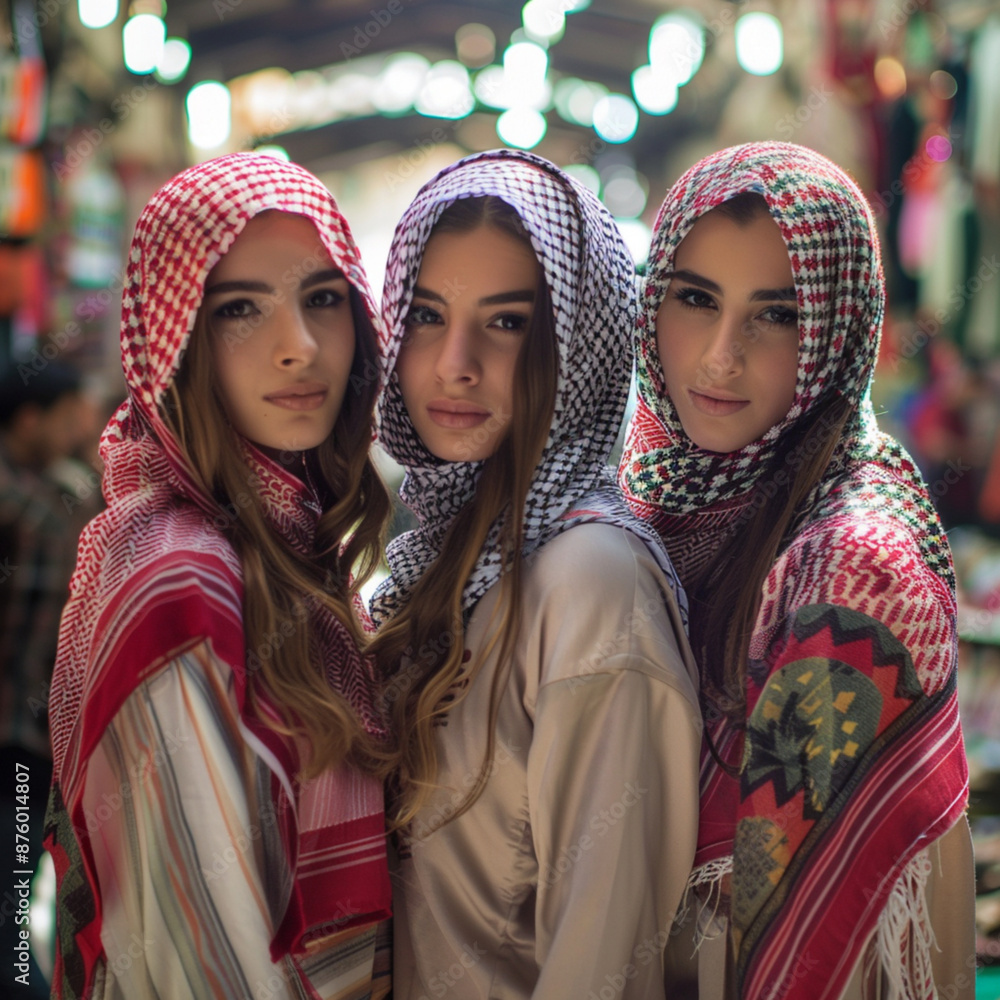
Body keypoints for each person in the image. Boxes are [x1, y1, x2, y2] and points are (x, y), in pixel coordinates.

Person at [618, 141, 975, 999]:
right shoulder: (669, 492)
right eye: (695, 299)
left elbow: (801, 949)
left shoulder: (851, 567)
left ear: (836, 330)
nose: (719, 356)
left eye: (775, 314)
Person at [43, 153, 393, 1000]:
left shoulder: (283, 548)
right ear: (176, 339)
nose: (298, 349)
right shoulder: (181, 581)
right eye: (240, 308)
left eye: (322, 299)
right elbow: (210, 955)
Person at [369, 148, 702, 999]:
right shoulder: (441, 556)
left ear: (579, 348)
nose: (454, 363)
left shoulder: (591, 583)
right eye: (429, 316)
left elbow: (604, 960)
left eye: (507, 322)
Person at [0, 361, 91, 999]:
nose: (81, 426)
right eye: (68, 415)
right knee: (13, 902)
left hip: (24, 736)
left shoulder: (41, 491)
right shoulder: (39, 510)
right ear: (30, 419)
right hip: (22, 740)